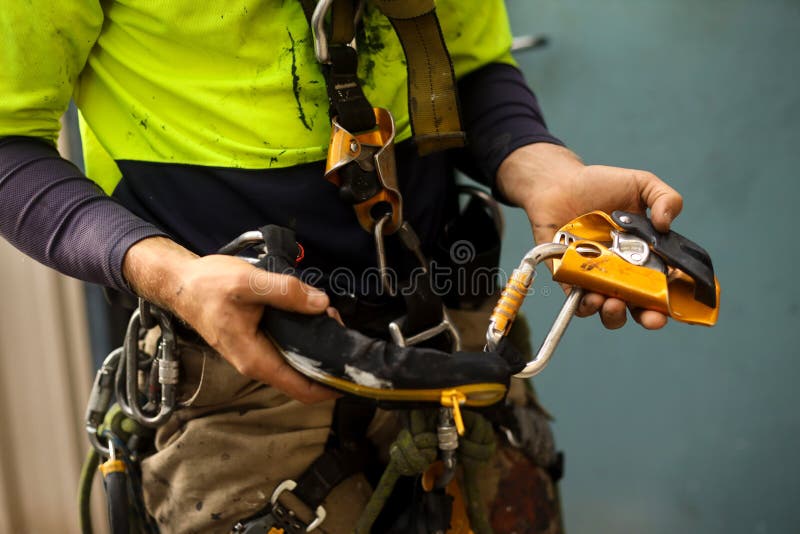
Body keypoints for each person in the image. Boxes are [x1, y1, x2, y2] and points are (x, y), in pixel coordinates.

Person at [0, 1, 682, 532]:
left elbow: (470, 64)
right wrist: (170, 276)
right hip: (240, 393)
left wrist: (538, 163)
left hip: (455, 355)